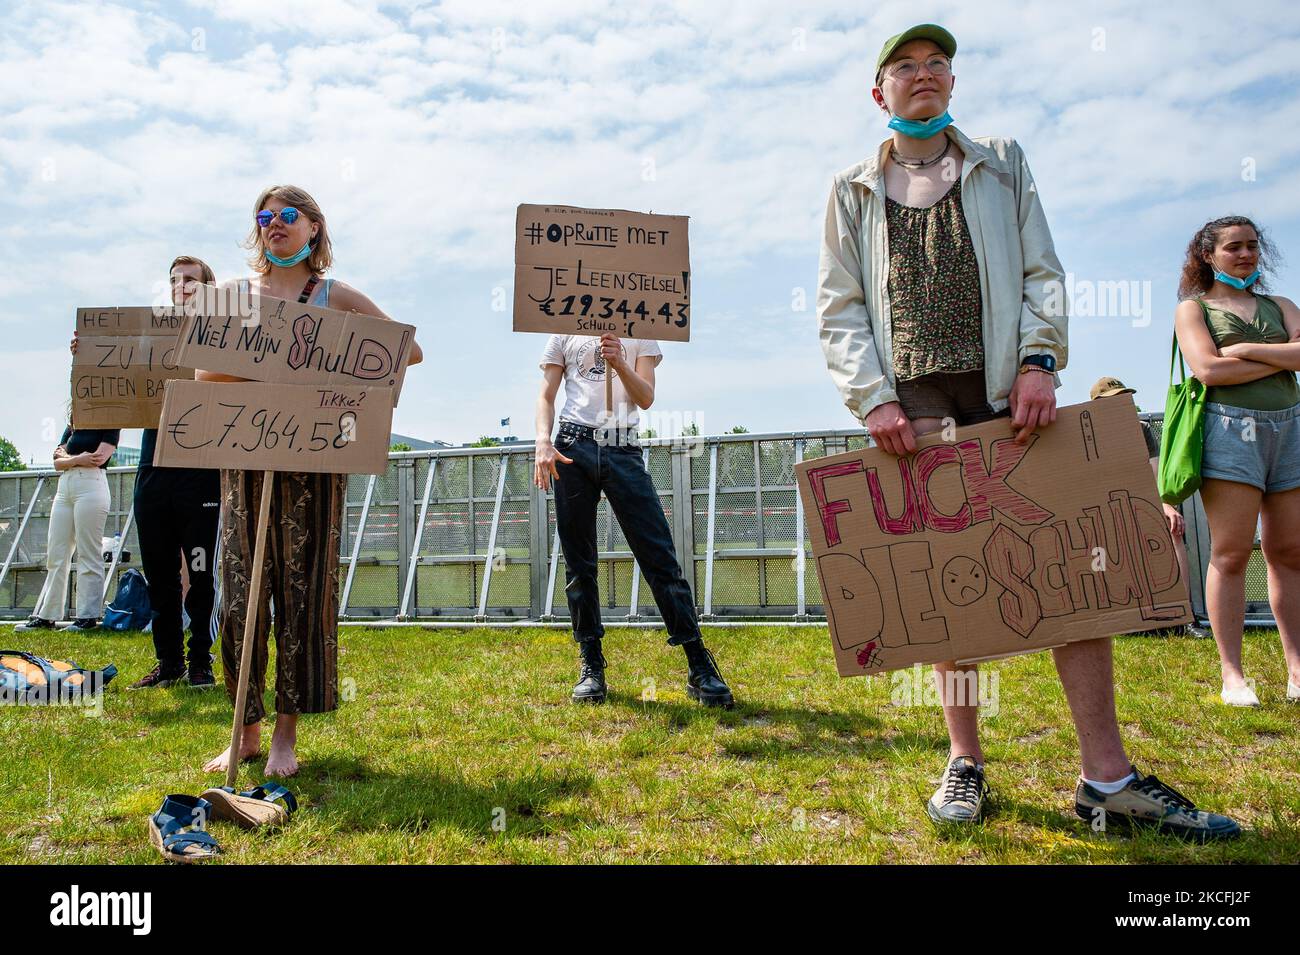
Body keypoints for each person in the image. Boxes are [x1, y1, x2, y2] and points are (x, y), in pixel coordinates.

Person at [816, 23, 1239, 838]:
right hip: (915, 402)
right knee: (950, 589)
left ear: (953, 83)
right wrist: (873, 398)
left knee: (1070, 562)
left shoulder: (1000, 162)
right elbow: (839, 308)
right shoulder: (850, 190)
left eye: (938, 64)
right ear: (880, 93)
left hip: (1012, 395)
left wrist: (1042, 360)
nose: (924, 76)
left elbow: (1043, 268)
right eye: (905, 68)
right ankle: (966, 761)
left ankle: (1106, 779)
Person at [200, 184, 422, 777]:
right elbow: (205, 370)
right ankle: (243, 731)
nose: (275, 224)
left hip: (316, 464)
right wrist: (265, 368)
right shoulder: (227, 296)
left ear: (314, 228)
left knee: (304, 592)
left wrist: (326, 362)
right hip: (244, 457)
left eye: (288, 216)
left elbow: (409, 351)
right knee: (241, 594)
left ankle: (283, 739)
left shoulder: (334, 295)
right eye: (265, 217)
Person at [534, 332, 734, 707]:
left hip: (620, 443)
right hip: (571, 445)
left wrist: (620, 362)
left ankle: (698, 663)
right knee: (579, 563)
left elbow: (645, 398)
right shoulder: (561, 327)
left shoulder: (642, 329)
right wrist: (542, 440)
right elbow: (546, 394)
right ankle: (591, 663)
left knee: (658, 555)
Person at [1172, 215, 1300, 707]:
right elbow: (1207, 370)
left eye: (1251, 246)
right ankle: (1233, 675)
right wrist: (1276, 354)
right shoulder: (1193, 309)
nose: (1245, 255)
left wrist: (1244, 349)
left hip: (1289, 429)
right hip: (1229, 432)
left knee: (1289, 552)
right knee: (1230, 553)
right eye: (1233, 248)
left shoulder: (1281, 304)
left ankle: (1295, 670)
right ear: (1208, 255)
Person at [1088, 377, 1192, 618]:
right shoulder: (1088, 433)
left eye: (1125, 398)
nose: (1122, 404)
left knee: (1172, 528)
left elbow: (1154, 473)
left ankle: (1182, 616)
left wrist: (1166, 506)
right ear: (1096, 406)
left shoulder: (1141, 429)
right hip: (1102, 509)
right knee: (1092, 537)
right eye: (1113, 401)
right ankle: (1111, 615)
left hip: (1139, 504)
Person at [15, 415, 118, 633]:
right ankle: (47, 615)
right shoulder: (74, 423)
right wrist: (78, 459)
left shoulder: (110, 419)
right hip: (65, 487)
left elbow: (99, 458)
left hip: (92, 484)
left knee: (88, 552)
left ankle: (87, 616)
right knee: (56, 552)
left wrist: (69, 459)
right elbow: (56, 461)